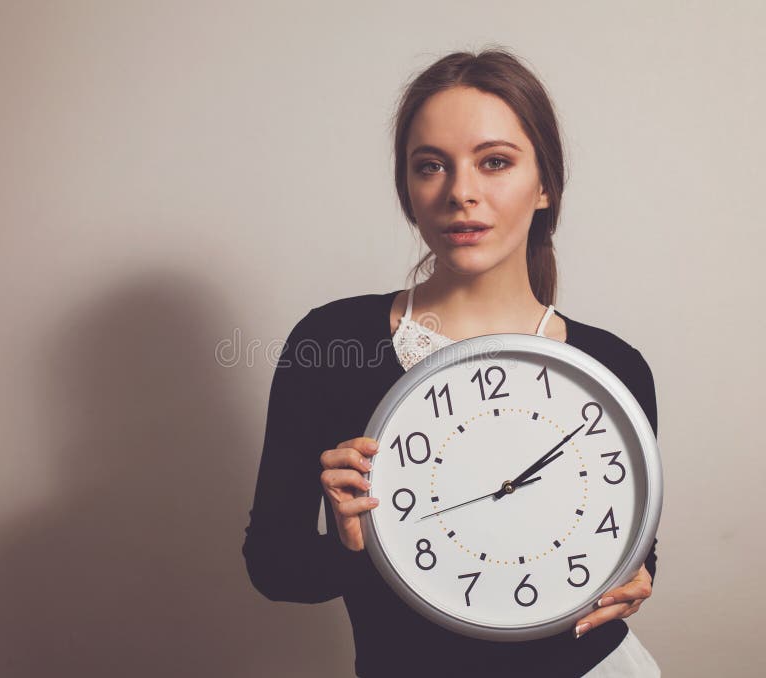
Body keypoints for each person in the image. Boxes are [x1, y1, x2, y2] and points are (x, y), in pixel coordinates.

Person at [243, 47, 661, 677]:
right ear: (408, 190)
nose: (461, 192)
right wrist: (351, 545)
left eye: (494, 162)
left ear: (545, 184)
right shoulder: (331, 342)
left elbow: (637, 549)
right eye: (431, 166)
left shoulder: (613, 367)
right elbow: (273, 567)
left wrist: (635, 578)